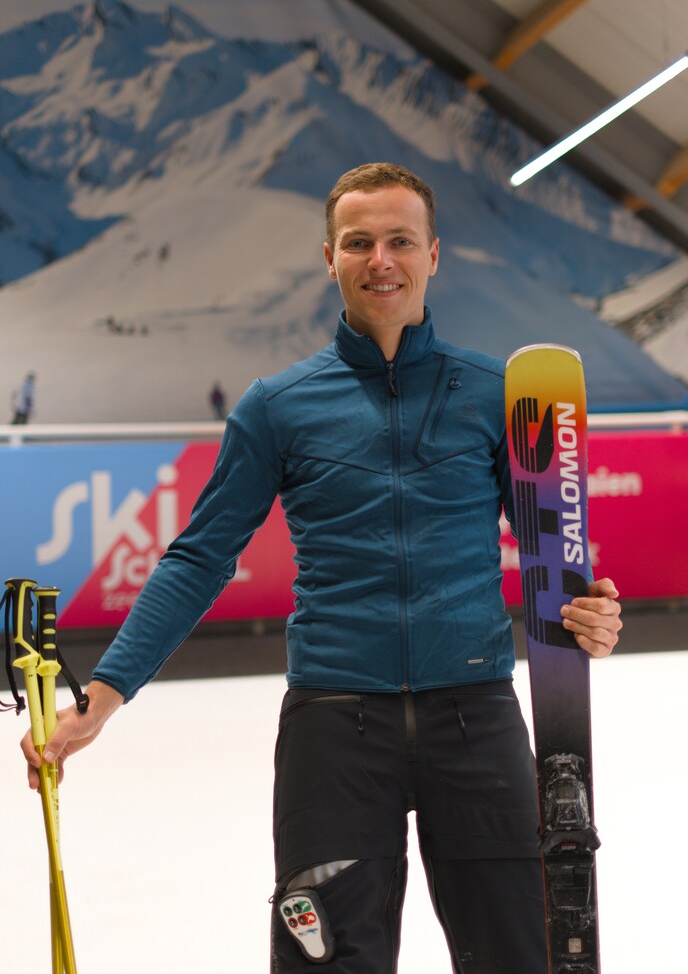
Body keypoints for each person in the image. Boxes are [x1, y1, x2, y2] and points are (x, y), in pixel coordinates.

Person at [22, 164, 622, 972]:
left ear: (433, 254)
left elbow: (552, 547)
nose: (382, 259)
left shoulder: (494, 394)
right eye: (359, 242)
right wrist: (103, 695)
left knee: (521, 954)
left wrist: (592, 609)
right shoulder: (280, 406)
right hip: (335, 731)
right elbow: (199, 556)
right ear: (330, 258)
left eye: (400, 240)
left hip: (474, 719)